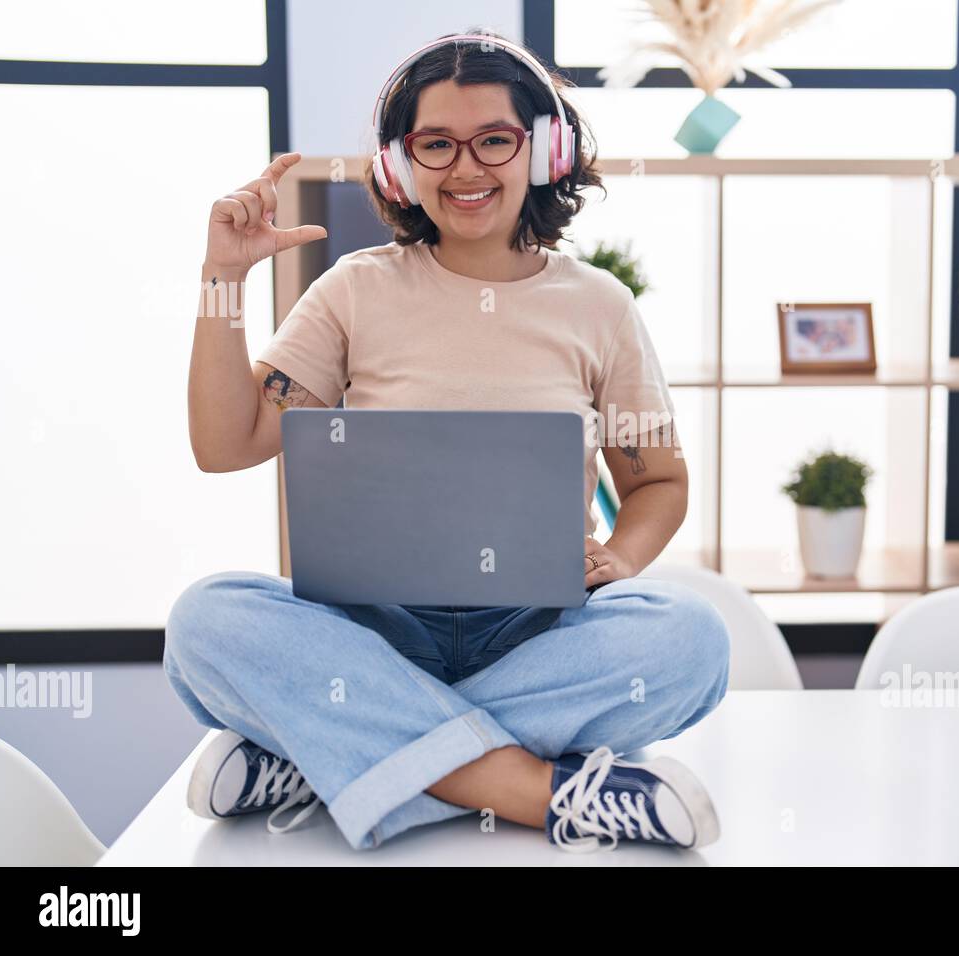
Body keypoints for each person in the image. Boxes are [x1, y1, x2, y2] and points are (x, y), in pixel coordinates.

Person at [167, 29, 731, 854]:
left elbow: (658, 483)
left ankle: (333, 751)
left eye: (494, 140)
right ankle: (541, 790)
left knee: (692, 639)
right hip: (372, 628)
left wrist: (625, 555)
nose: (465, 169)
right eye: (436, 144)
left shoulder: (600, 306)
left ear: (542, 150)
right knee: (204, 623)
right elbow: (226, 444)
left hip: (537, 631)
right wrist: (224, 278)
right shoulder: (354, 291)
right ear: (400, 165)